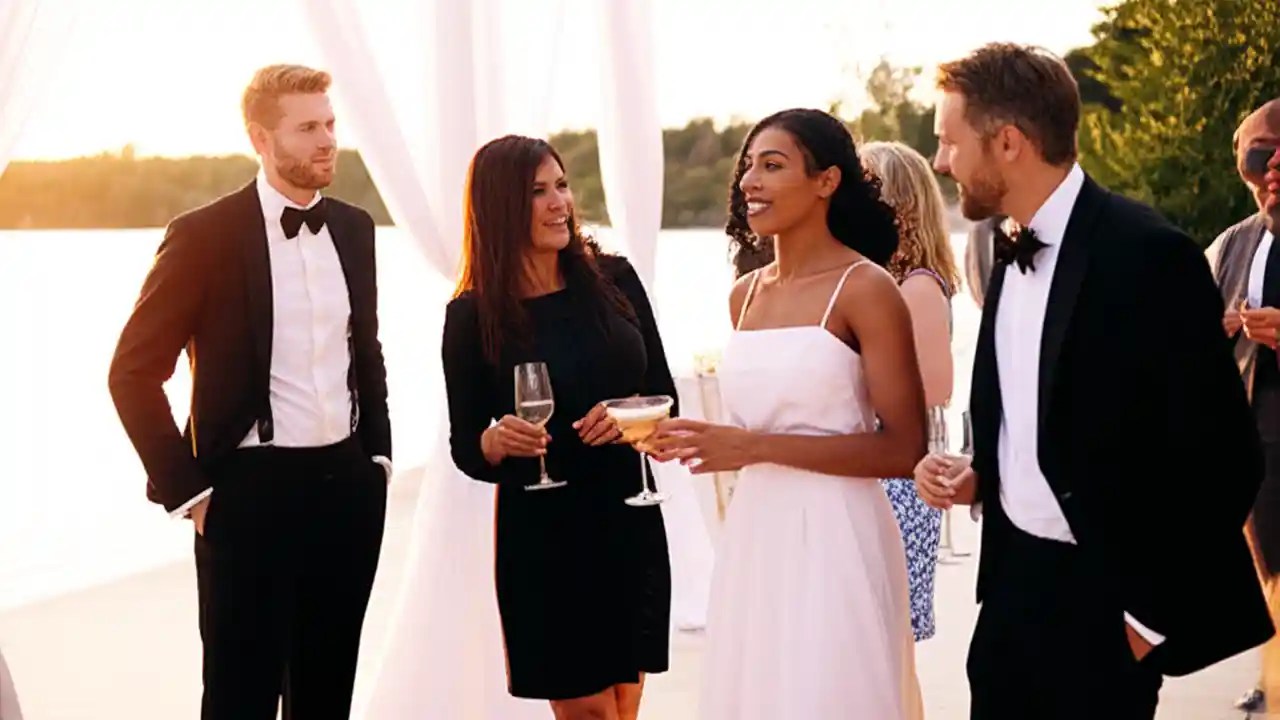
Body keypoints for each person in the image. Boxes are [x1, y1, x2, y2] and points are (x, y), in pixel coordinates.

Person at [913, 43, 1273, 719]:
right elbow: (1044, 414)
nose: (940, 161)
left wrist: (1146, 623)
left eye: (949, 141)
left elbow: (1226, 458)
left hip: (1107, 609)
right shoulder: (1003, 244)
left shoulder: (1150, 255)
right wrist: (982, 474)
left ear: (1009, 143)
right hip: (1008, 603)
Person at [108, 64, 390, 720]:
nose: (328, 140)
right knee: (239, 700)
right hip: (248, 498)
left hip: (346, 492)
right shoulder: (203, 236)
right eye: (307, 128)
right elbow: (131, 371)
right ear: (261, 139)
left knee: (326, 700)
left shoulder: (355, 229)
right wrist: (191, 494)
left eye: (330, 124)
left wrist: (377, 458)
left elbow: (366, 351)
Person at [654, 108, 926, 720]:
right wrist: (694, 439)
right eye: (748, 166)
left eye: (773, 165)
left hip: (838, 534)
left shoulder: (866, 289)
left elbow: (904, 449)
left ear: (826, 181)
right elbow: (754, 425)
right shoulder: (744, 295)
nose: (750, 181)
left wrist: (751, 447)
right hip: (756, 534)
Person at [440, 135, 676, 720]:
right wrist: (495, 441)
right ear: (500, 207)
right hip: (545, 536)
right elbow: (466, 446)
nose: (559, 204)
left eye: (562, 186)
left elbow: (663, 393)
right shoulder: (472, 315)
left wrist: (629, 417)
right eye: (538, 192)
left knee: (625, 702)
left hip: (627, 515)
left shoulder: (615, 279)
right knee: (589, 710)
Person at [862, 140, 963, 643]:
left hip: (901, 479)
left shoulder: (918, 286)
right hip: (875, 470)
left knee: (886, 632)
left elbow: (937, 386)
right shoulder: (878, 281)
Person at [1204, 97, 1280, 713]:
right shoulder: (1234, 244)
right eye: (1257, 158)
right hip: (1258, 438)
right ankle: (1273, 675)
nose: (1269, 174)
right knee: (1270, 569)